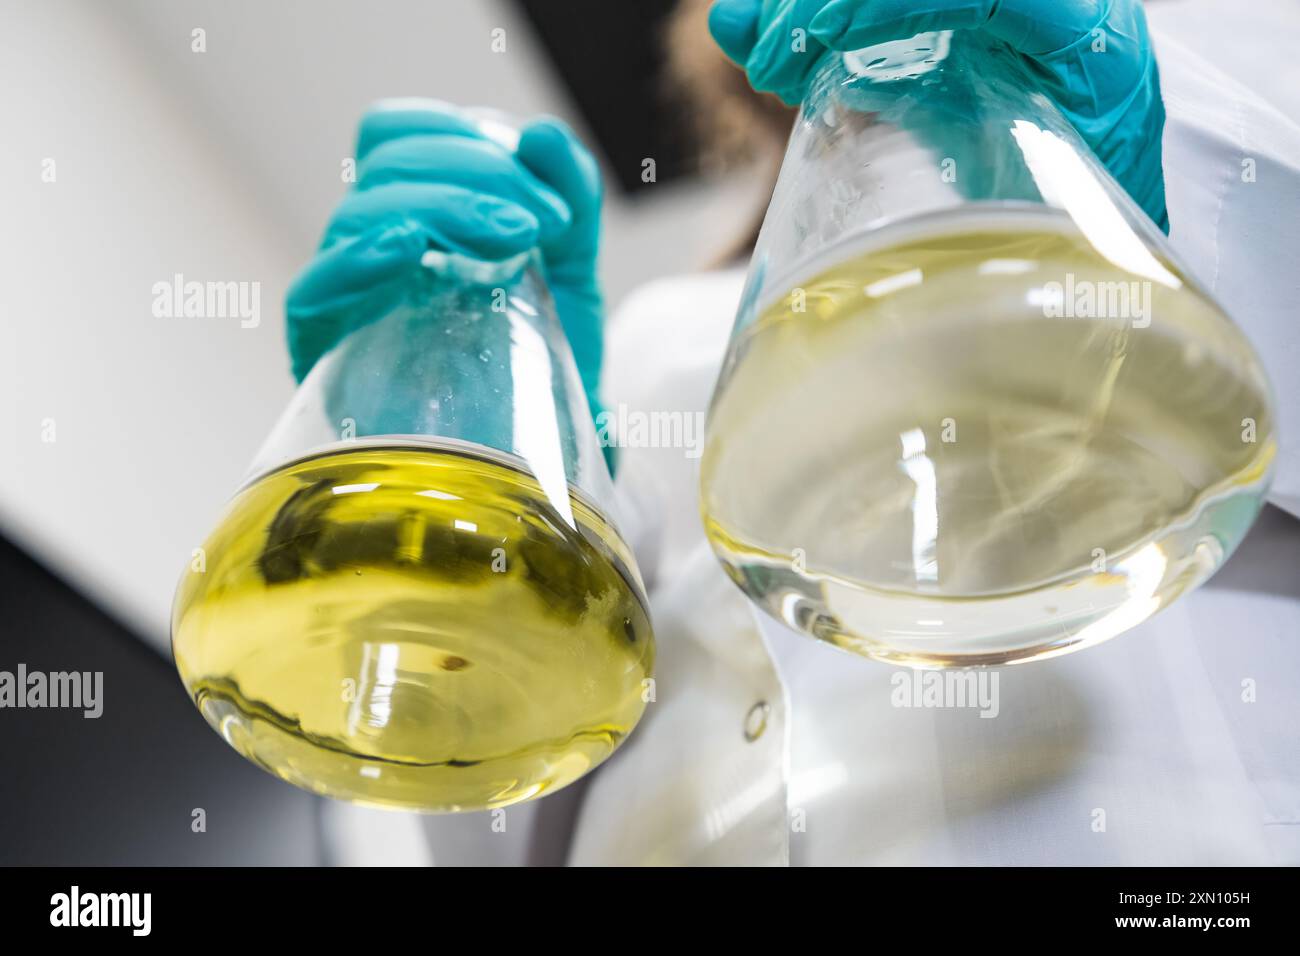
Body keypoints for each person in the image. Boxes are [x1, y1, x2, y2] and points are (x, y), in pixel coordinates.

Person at [297, 0, 1300, 865]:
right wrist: (483, 484)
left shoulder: (1231, 82)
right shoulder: (659, 332)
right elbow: (482, 799)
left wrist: (1166, 176)